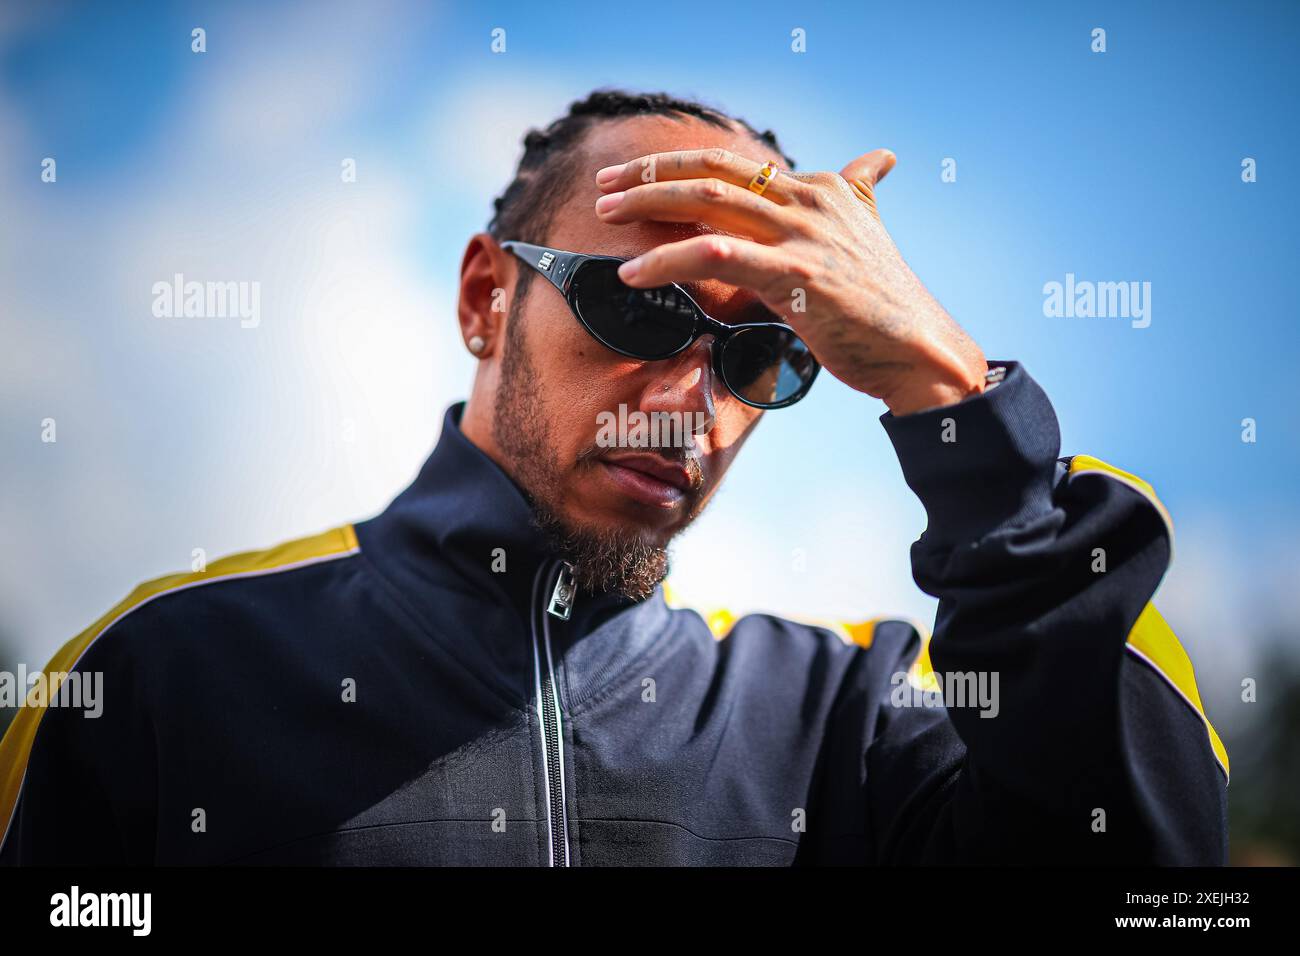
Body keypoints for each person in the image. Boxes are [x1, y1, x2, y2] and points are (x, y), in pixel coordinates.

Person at [0, 89, 1227, 865]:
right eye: (640, 310)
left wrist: (952, 396)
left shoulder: (858, 719)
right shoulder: (163, 670)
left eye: (764, 351)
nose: (693, 399)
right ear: (490, 295)